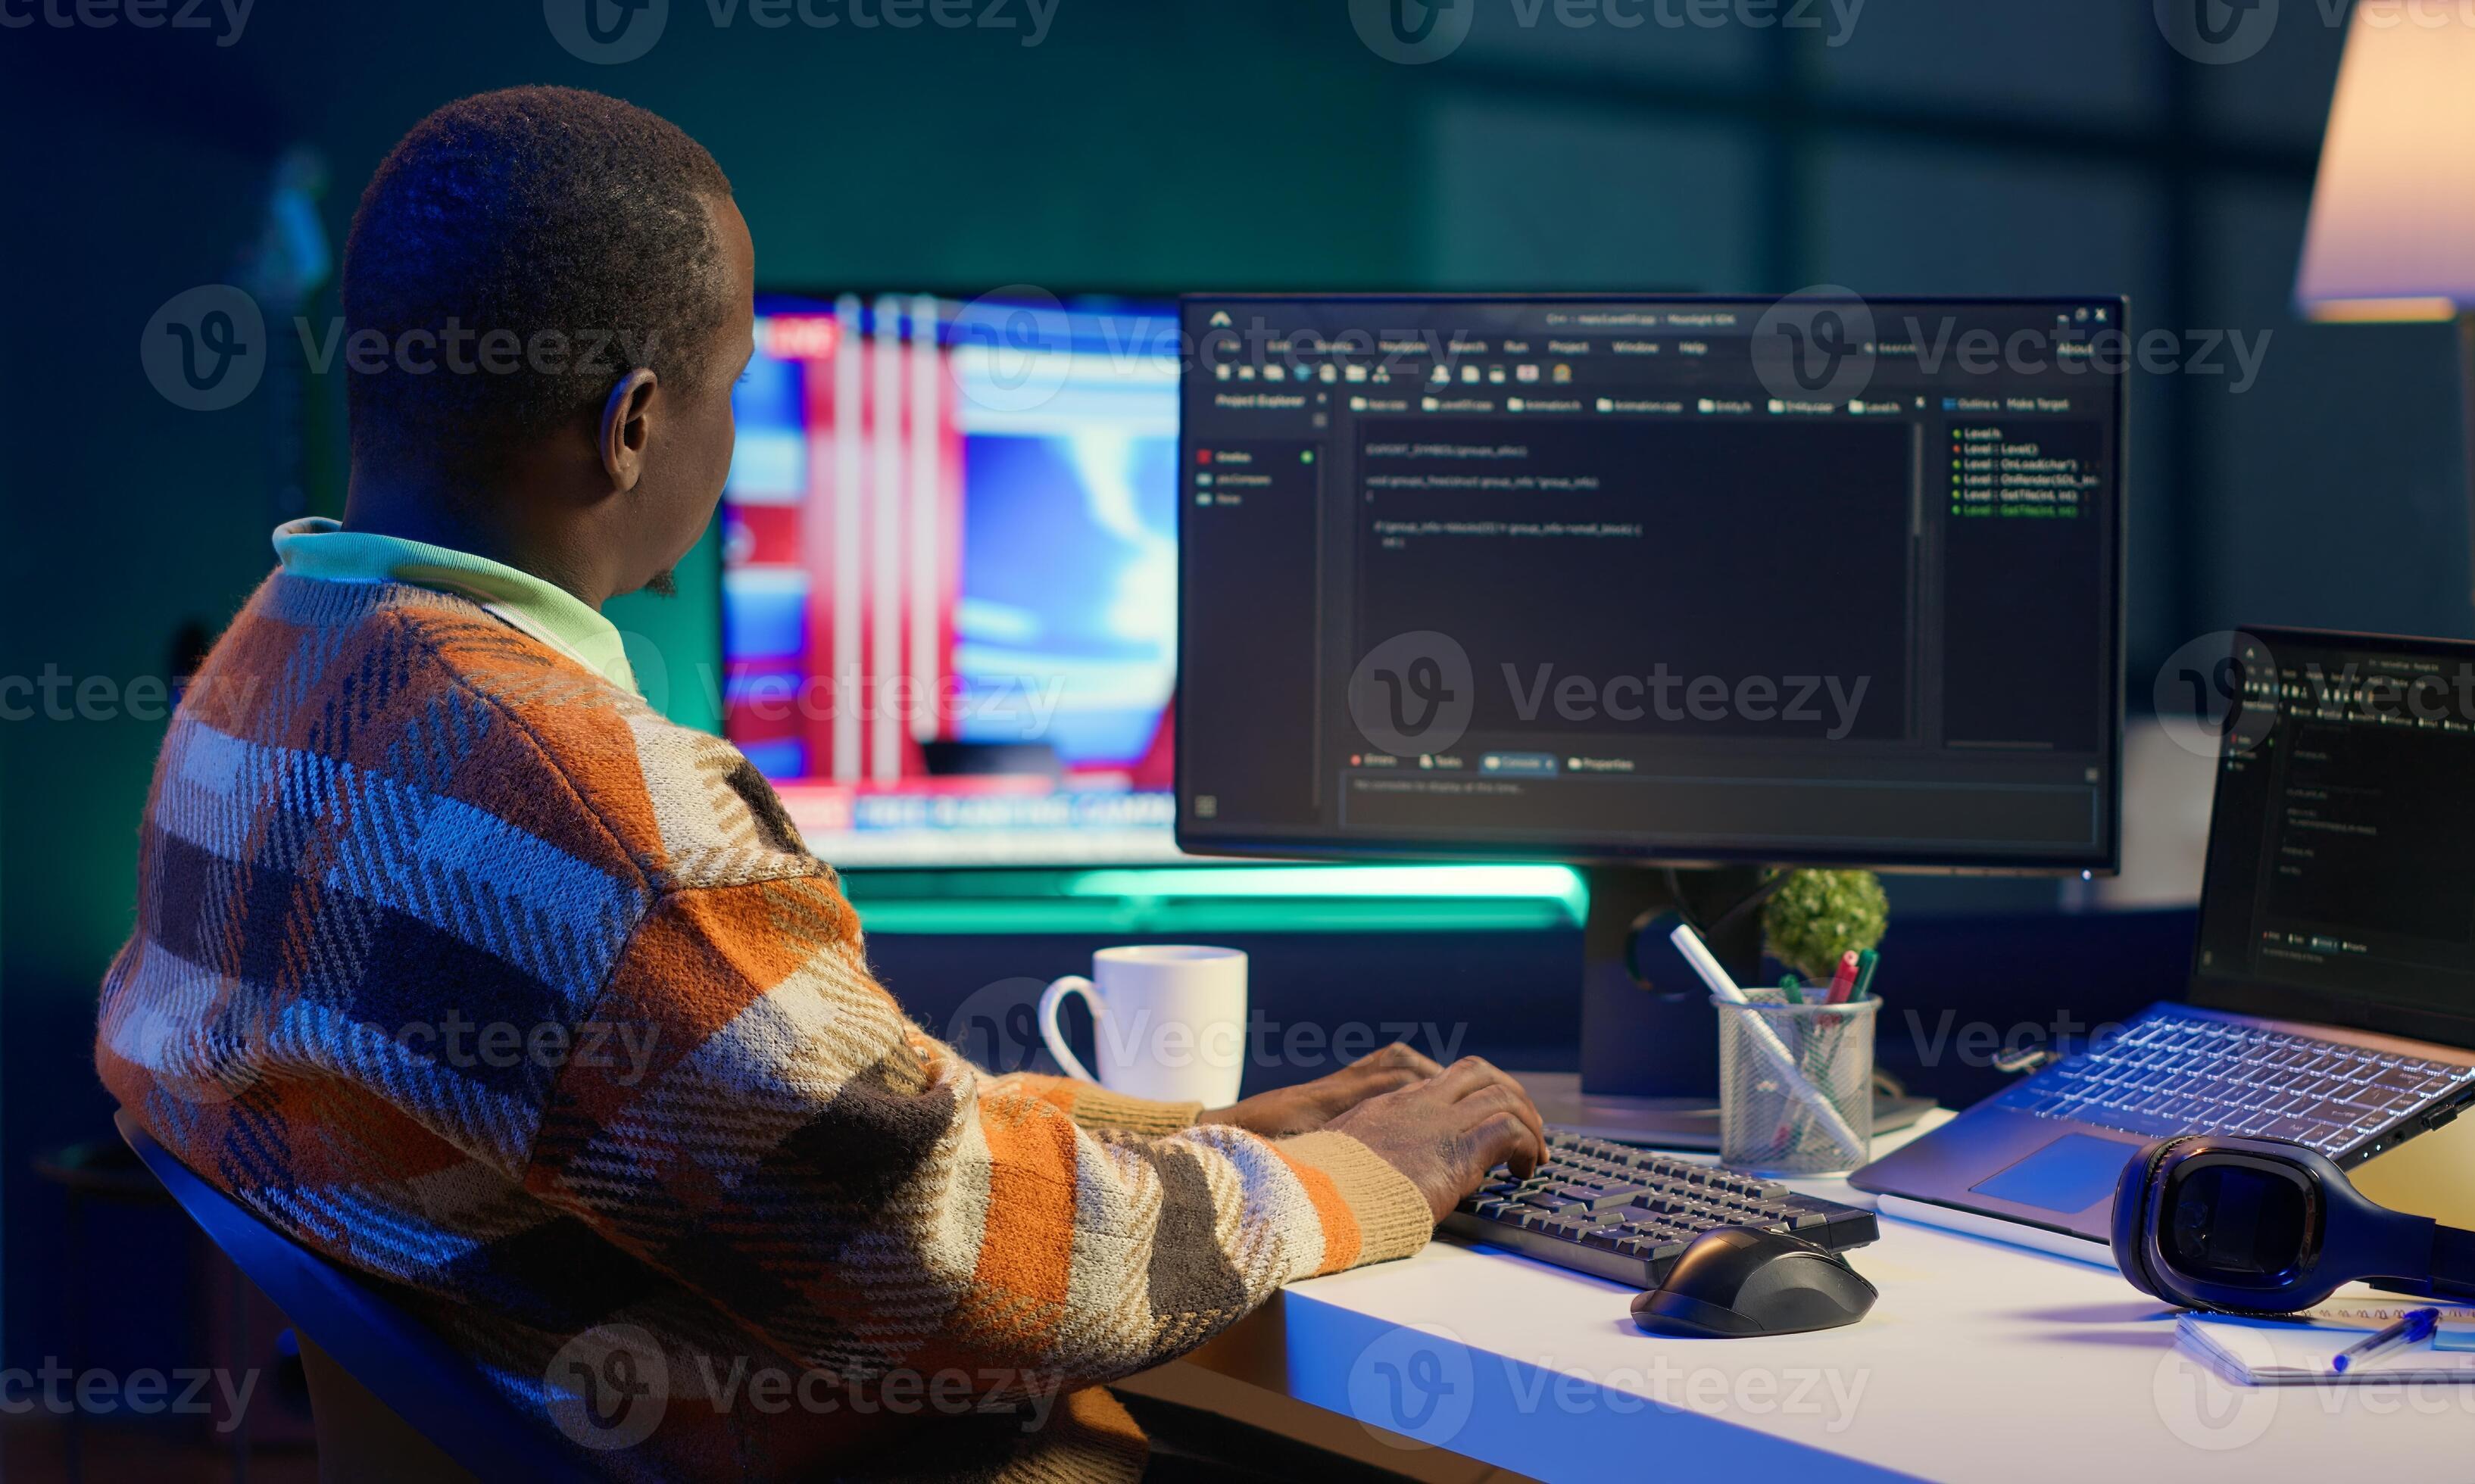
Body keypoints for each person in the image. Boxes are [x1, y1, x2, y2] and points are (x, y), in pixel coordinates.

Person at [95, 86, 1545, 1482]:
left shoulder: (262, 679)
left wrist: (1213, 1135)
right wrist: (1370, 1178)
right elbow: (972, 1270)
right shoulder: (611, 822)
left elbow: (844, 1133)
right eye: (734, 387)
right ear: (635, 425)